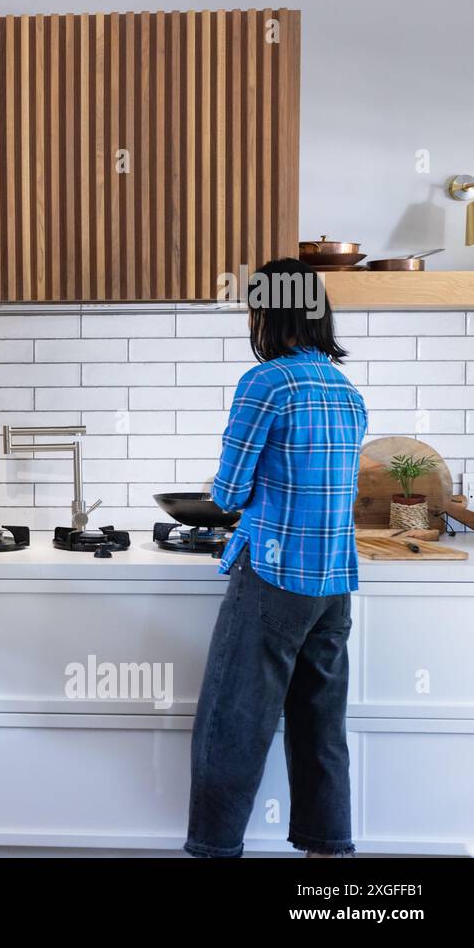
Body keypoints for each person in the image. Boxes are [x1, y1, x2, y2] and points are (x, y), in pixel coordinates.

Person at [186, 257, 367, 857]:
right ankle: (327, 854)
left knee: (232, 726)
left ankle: (214, 851)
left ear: (268, 313)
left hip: (272, 574)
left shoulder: (264, 384)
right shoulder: (347, 390)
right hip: (332, 589)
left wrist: (240, 490)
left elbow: (229, 493)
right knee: (321, 728)